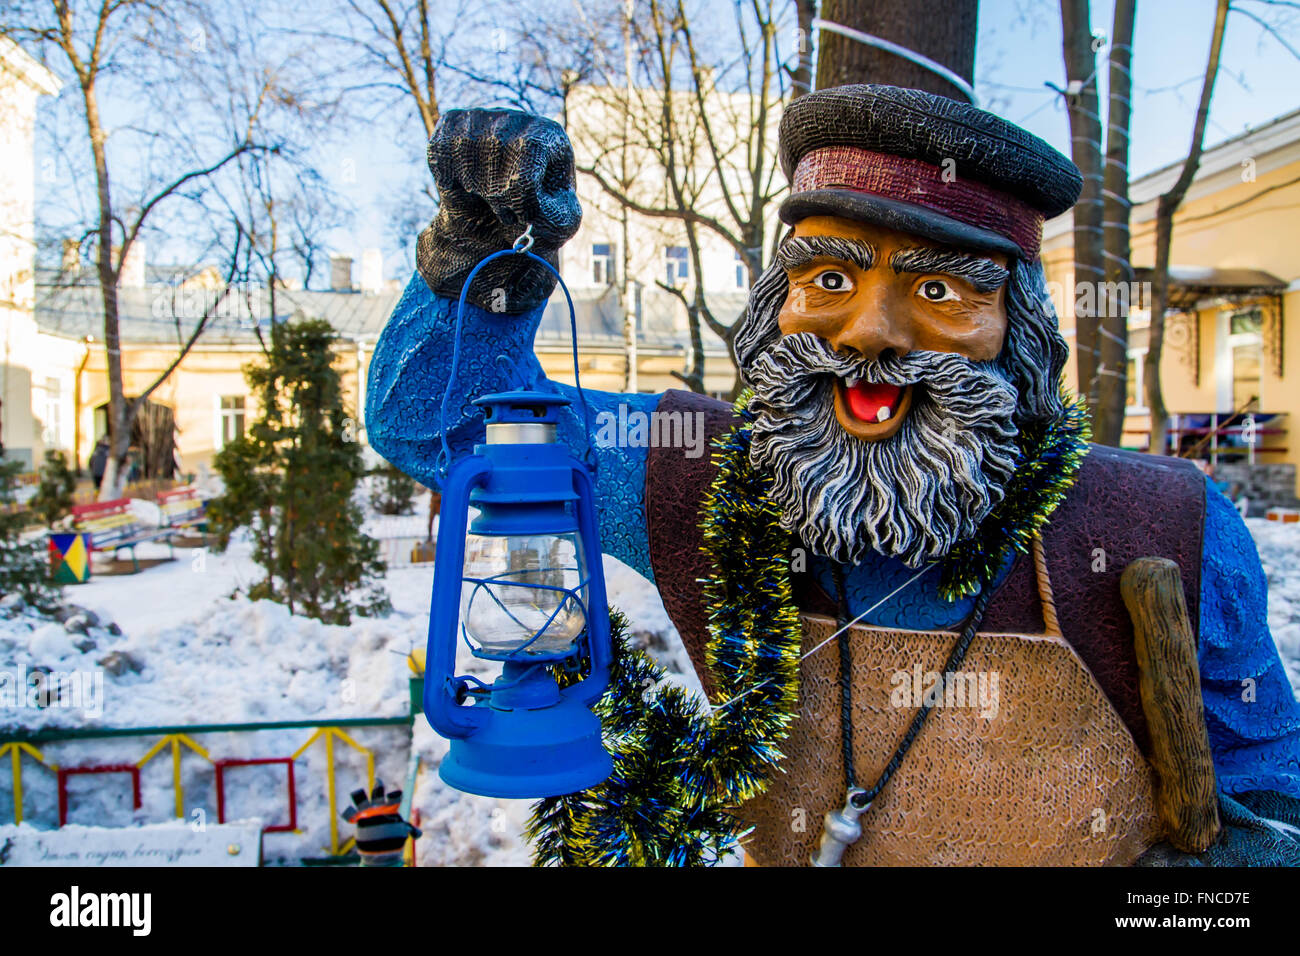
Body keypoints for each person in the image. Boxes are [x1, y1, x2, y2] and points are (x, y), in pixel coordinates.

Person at [366, 86, 1300, 866]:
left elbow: (1274, 806)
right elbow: (445, 425)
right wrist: (482, 251)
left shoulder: (1158, 523)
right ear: (779, 306)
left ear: (1020, 331)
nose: (869, 333)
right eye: (829, 280)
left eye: (940, 292)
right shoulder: (692, 477)